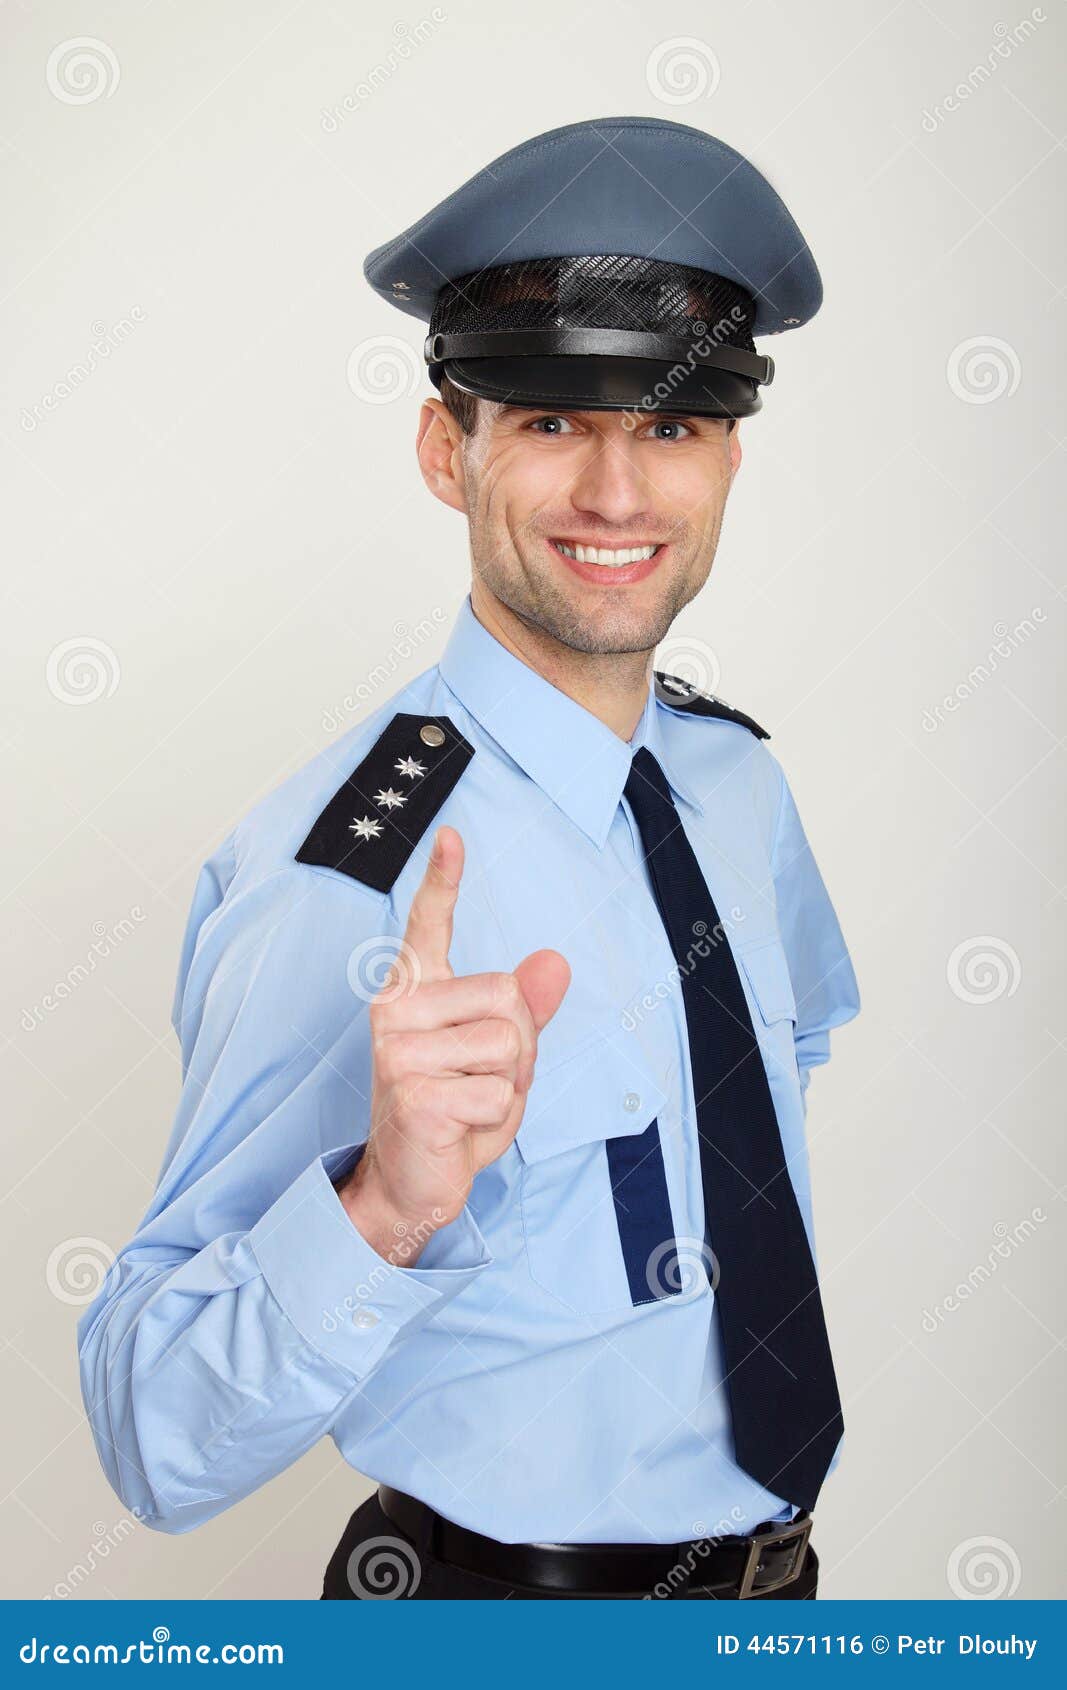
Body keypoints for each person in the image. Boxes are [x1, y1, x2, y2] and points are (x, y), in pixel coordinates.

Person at [79, 116, 860, 1601]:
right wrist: (384, 1205)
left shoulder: (737, 785)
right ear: (450, 450)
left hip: (782, 1598)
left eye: (673, 428)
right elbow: (150, 1430)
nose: (619, 495)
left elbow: (777, 1081)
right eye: (555, 421)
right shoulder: (345, 877)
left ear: (730, 459)